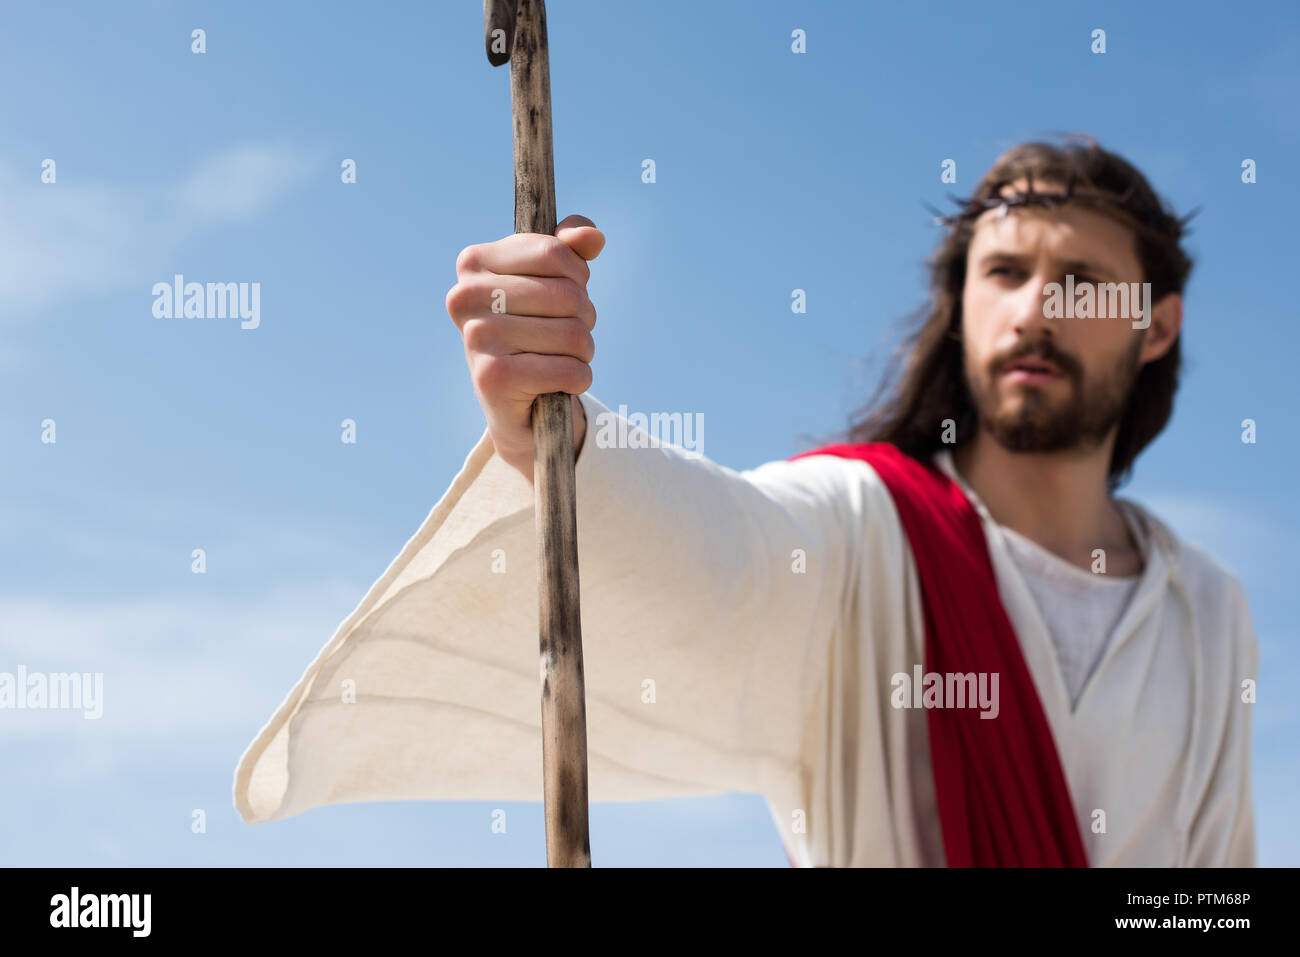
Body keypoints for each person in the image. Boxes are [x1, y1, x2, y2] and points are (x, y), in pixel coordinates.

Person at [233, 137, 1257, 867]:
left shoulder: (1206, 606)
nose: (1037, 307)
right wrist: (549, 428)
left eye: (1080, 279)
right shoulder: (860, 526)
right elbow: (716, 556)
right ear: (963, 307)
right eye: (1005, 272)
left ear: (1154, 325)